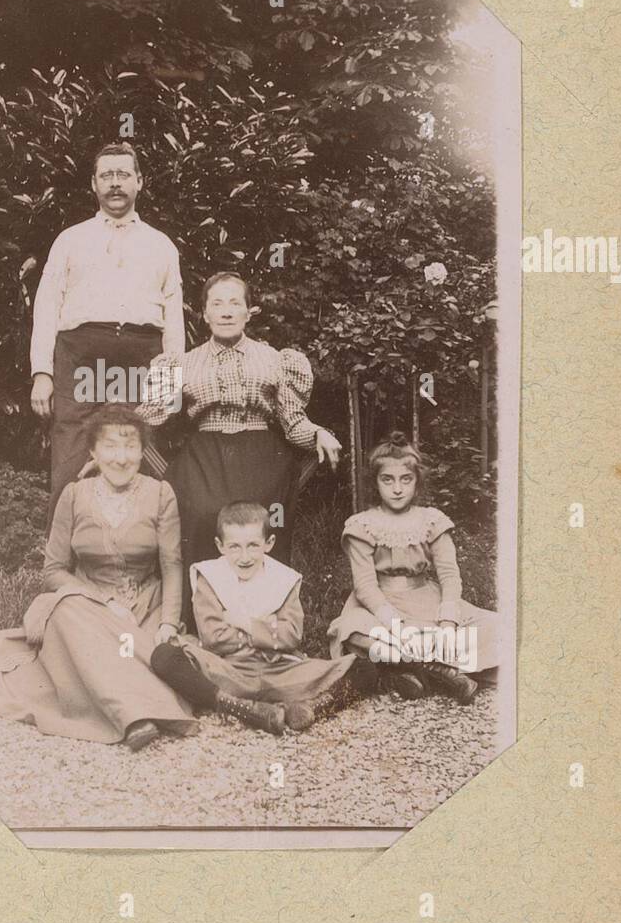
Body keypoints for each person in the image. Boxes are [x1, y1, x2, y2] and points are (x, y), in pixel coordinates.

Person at [0, 407, 197, 750]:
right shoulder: (74, 495)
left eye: (130, 446)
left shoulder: (160, 494)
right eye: (110, 446)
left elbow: (172, 564)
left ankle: (125, 702)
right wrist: (104, 602)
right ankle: (134, 716)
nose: (121, 457)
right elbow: (53, 570)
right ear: (94, 453)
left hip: (143, 605)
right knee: (67, 615)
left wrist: (169, 624)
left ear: (142, 452)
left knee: (149, 655)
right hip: (85, 608)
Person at [136, 271, 343, 619]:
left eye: (235, 303)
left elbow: (292, 422)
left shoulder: (275, 360)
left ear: (250, 311)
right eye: (217, 304)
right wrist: (119, 444)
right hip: (205, 455)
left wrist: (318, 433)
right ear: (204, 314)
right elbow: (148, 419)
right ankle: (198, 618)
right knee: (203, 515)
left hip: (262, 453)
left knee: (262, 524)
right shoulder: (181, 364)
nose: (227, 311)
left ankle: (269, 618)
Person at [29, 143, 184, 523]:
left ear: (139, 182)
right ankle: (63, 562)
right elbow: (47, 306)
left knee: (141, 450)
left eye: (123, 175)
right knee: (72, 453)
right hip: (80, 355)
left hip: (141, 355)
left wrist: (169, 381)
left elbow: (174, 315)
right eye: (107, 176)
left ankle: (141, 554)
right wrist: (42, 373)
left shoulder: (160, 244)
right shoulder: (70, 240)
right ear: (94, 185)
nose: (115, 184)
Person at [150, 502, 378, 735]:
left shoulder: (282, 579)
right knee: (164, 656)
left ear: (268, 544)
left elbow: (291, 637)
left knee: (365, 668)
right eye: (234, 547)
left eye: (253, 545)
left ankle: (312, 708)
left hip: (279, 670)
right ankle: (241, 708)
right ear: (220, 546)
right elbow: (213, 638)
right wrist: (269, 631)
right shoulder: (210, 576)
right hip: (229, 669)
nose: (244, 556)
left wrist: (244, 623)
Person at [327, 432, 501, 703]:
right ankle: (437, 668)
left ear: (416, 482)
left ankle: (407, 670)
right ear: (376, 482)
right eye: (388, 480)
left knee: (499, 627)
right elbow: (365, 586)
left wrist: (447, 620)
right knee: (352, 630)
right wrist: (395, 624)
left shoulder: (431, 521)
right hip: (380, 606)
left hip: (425, 600)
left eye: (405, 479)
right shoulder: (362, 525)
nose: (397, 489)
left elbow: (449, 575)